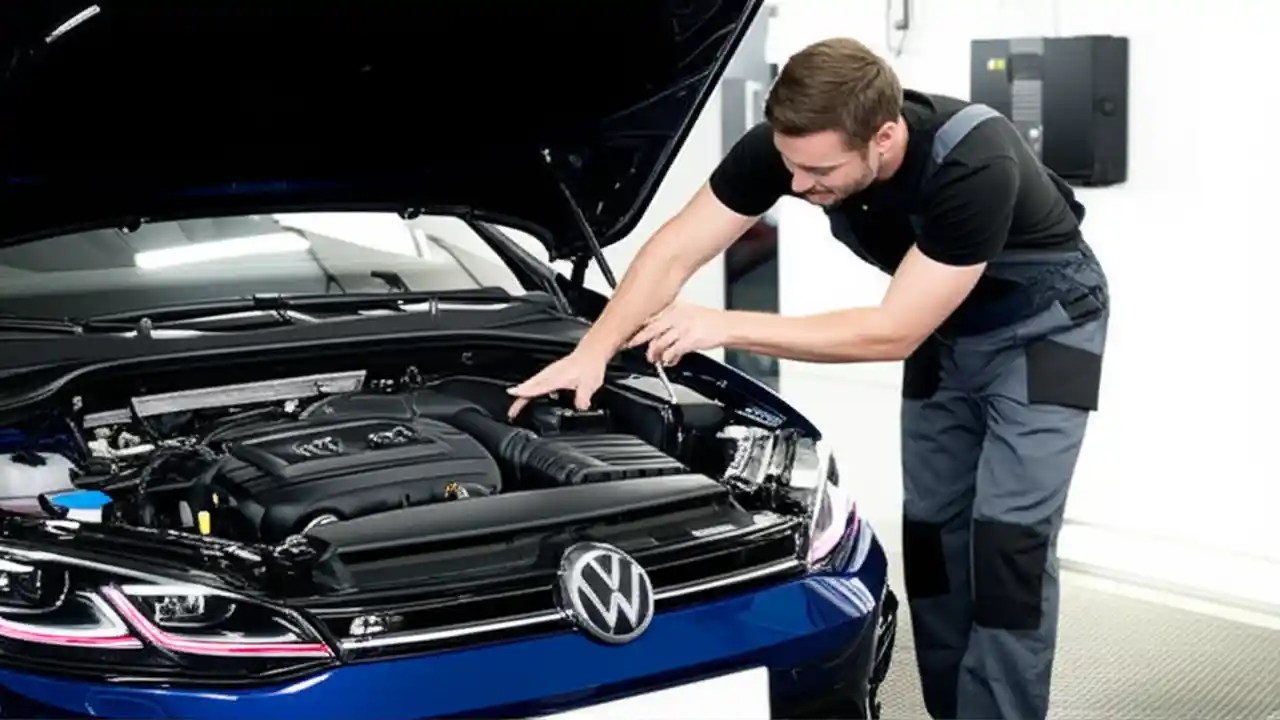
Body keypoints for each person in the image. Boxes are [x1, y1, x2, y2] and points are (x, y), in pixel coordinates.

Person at [507, 36, 1108, 720]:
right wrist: (594, 350)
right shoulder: (788, 149)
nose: (797, 185)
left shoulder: (975, 161)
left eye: (819, 170)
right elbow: (675, 249)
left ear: (884, 137)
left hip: (1046, 331)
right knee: (935, 539)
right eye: (790, 166)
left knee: (1009, 548)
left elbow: (892, 331)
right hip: (950, 336)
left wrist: (724, 324)